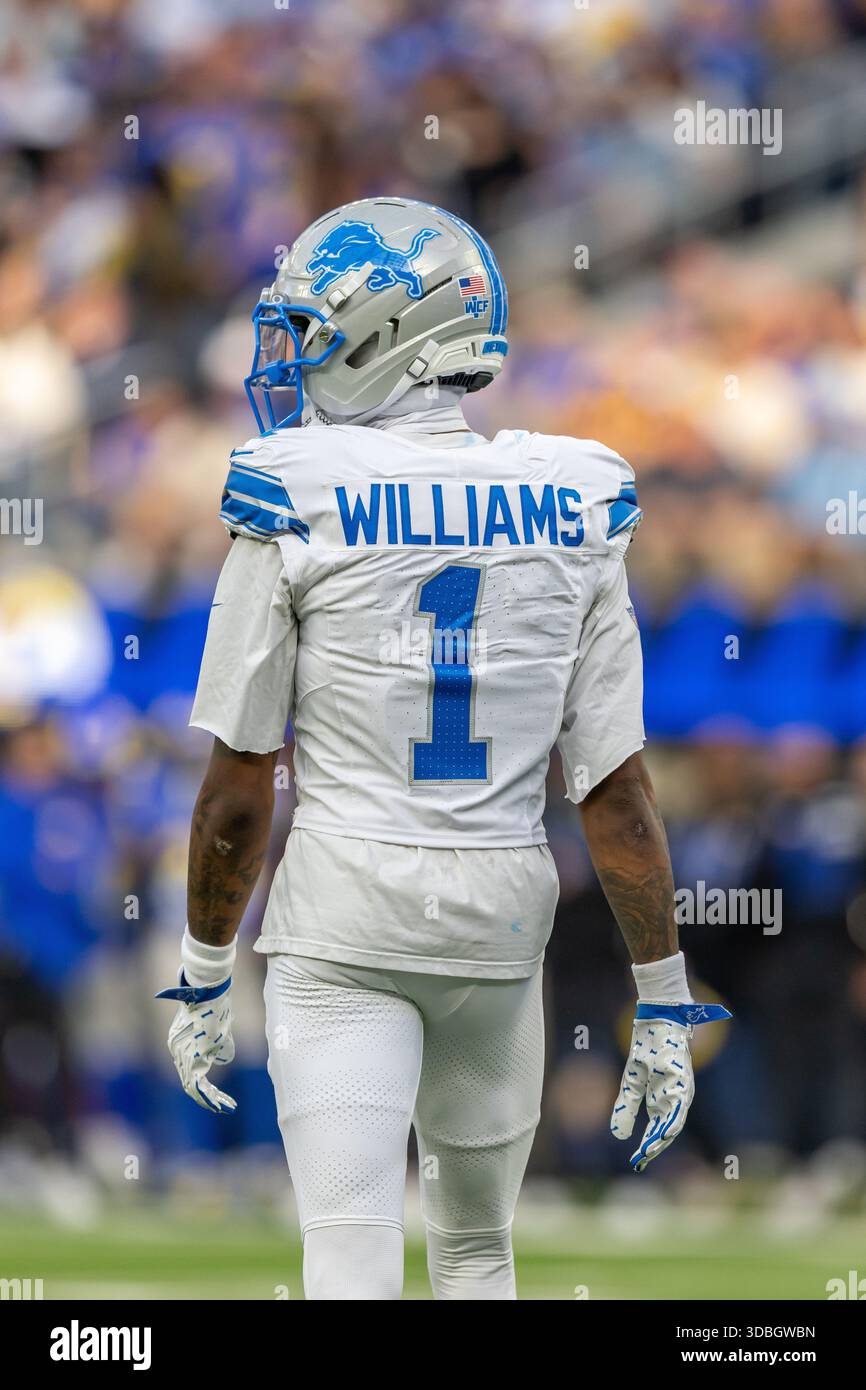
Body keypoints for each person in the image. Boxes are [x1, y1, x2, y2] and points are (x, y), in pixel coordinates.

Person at [157, 197, 729, 1301]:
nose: (293, 361)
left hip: (343, 918)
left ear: (388, 339)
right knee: (476, 1255)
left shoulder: (296, 493)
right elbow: (613, 791)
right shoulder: (575, 496)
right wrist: (659, 991)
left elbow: (237, 791)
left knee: (349, 1247)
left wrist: (202, 967)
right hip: (500, 923)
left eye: (315, 334)